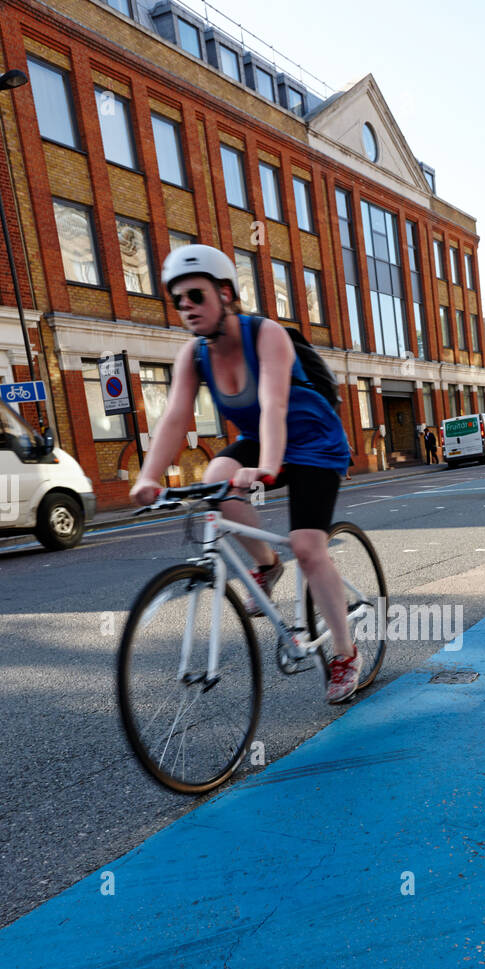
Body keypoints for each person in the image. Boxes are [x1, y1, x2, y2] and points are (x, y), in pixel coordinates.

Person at [129, 243, 361, 705]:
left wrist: (269, 468)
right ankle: (266, 564)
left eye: (196, 295)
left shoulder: (266, 334)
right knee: (217, 472)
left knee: (309, 547)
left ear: (226, 293)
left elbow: (274, 403)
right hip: (261, 439)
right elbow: (175, 417)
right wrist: (147, 476)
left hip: (313, 441)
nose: (187, 307)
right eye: (179, 301)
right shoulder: (192, 356)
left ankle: (344, 652)